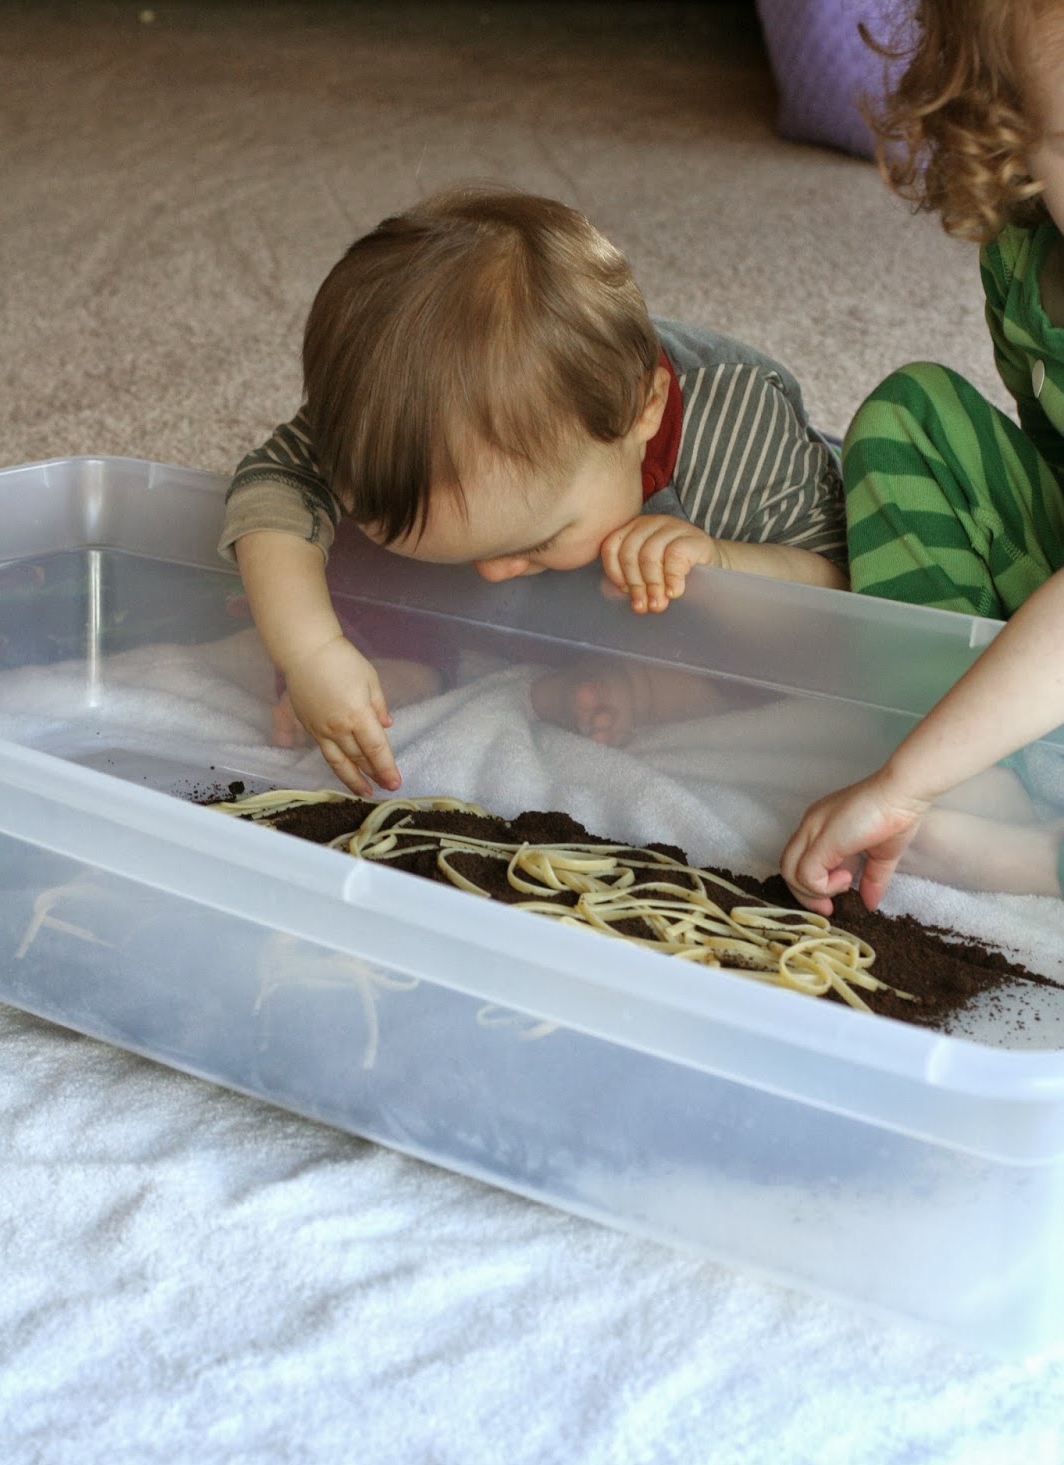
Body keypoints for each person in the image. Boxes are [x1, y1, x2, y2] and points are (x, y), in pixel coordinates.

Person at [220, 185, 847, 794]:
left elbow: (838, 597)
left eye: (537, 542)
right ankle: (405, 658)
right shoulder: (379, 416)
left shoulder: (738, 429)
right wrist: (312, 653)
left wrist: (723, 564)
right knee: (310, 542)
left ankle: (647, 686)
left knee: (768, 660)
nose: (494, 573)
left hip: (685, 614)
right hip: (535, 603)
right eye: (466, 554)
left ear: (645, 411)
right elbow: (273, 487)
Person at [781, 0, 1064, 914]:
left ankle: (1037, 862)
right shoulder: (1026, 253)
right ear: (1008, 134)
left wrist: (904, 780)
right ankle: (982, 779)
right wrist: (942, 755)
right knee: (915, 418)